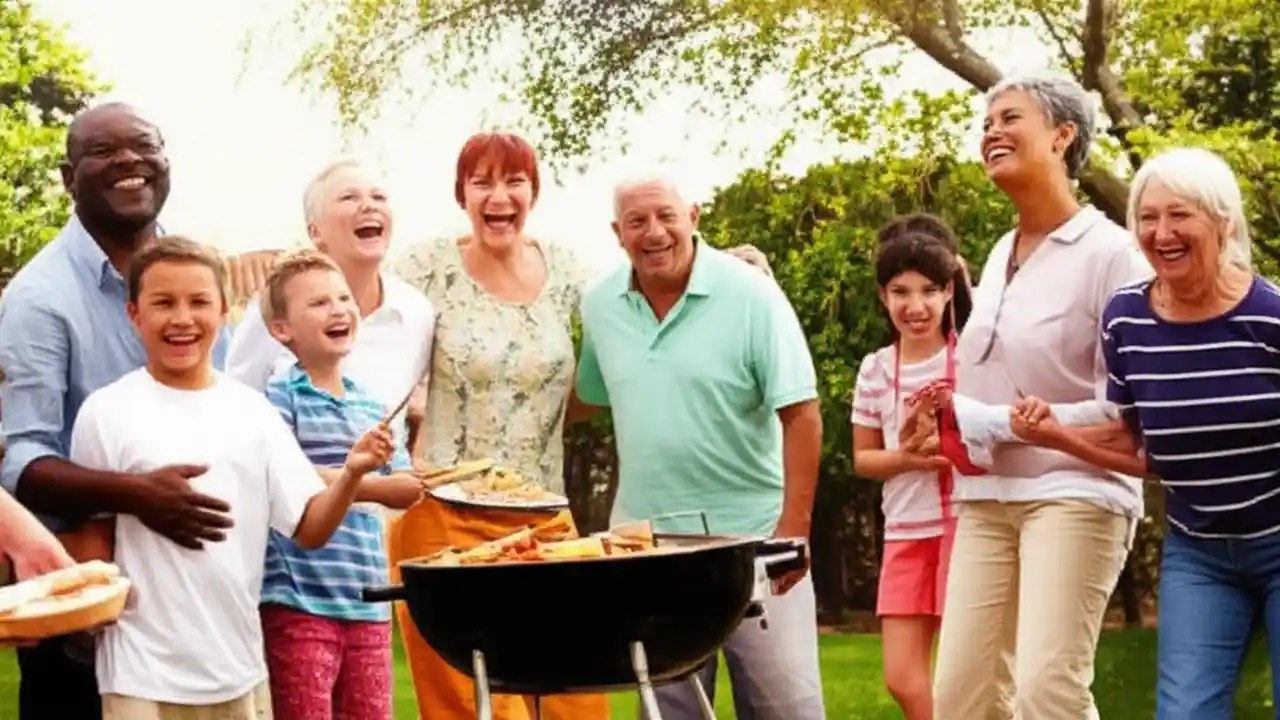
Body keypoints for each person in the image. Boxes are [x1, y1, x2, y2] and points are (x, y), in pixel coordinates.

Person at [67, 236, 396, 719]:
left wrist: (351, 474)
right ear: (134, 314)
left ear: (223, 312)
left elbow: (309, 528)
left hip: (237, 667)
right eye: (163, 303)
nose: (182, 318)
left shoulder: (252, 412)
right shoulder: (105, 412)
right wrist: (89, 618)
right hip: (138, 671)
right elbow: (92, 536)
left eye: (199, 302)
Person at [1014, 148, 1279, 719]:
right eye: (1148, 217)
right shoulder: (1127, 320)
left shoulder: (1271, 319)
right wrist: (1059, 434)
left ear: (1223, 222)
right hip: (1200, 552)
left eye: (1179, 215)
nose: (1161, 233)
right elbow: (1144, 447)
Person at [0, 102, 238, 720]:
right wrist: (137, 494)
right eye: (104, 152)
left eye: (145, 146)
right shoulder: (38, 299)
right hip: (84, 602)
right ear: (67, 177)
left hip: (200, 600)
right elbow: (19, 460)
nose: (130, 160)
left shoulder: (196, 278)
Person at [930, 71, 1152, 719]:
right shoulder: (1001, 251)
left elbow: (1125, 408)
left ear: (1063, 135)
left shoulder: (1115, 255)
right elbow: (993, 379)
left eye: (1009, 118)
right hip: (987, 498)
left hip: (1076, 493)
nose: (991, 132)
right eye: (986, 123)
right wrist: (949, 420)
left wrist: (997, 421)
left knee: (1045, 693)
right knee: (961, 698)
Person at [574, 175, 825, 720]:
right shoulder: (599, 304)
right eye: (636, 222)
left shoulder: (753, 294)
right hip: (648, 550)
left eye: (666, 216)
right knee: (668, 712)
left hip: (754, 541)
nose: (654, 233)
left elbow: (801, 414)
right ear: (618, 233)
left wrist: (793, 533)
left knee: (786, 709)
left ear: (694, 216)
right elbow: (585, 397)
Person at [252, 249, 421, 720]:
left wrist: (349, 479)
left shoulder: (372, 404)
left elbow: (408, 487)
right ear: (282, 329)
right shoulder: (279, 396)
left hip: (368, 604)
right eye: (319, 303)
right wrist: (359, 476)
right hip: (299, 603)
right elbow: (284, 477)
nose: (339, 309)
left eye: (344, 298)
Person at [226, 157, 436, 451]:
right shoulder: (274, 307)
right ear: (315, 232)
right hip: (294, 488)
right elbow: (236, 410)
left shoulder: (416, 313)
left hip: (386, 490)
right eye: (349, 198)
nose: (368, 205)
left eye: (378, 197)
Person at [850, 226, 971, 720]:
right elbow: (864, 458)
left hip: (969, 526)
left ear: (948, 292)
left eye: (927, 291)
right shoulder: (876, 369)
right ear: (883, 296)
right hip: (905, 531)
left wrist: (946, 444)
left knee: (968, 670)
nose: (914, 305)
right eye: (900, 292)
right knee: (902, 677)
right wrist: (908, 457)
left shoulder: (970, 354)